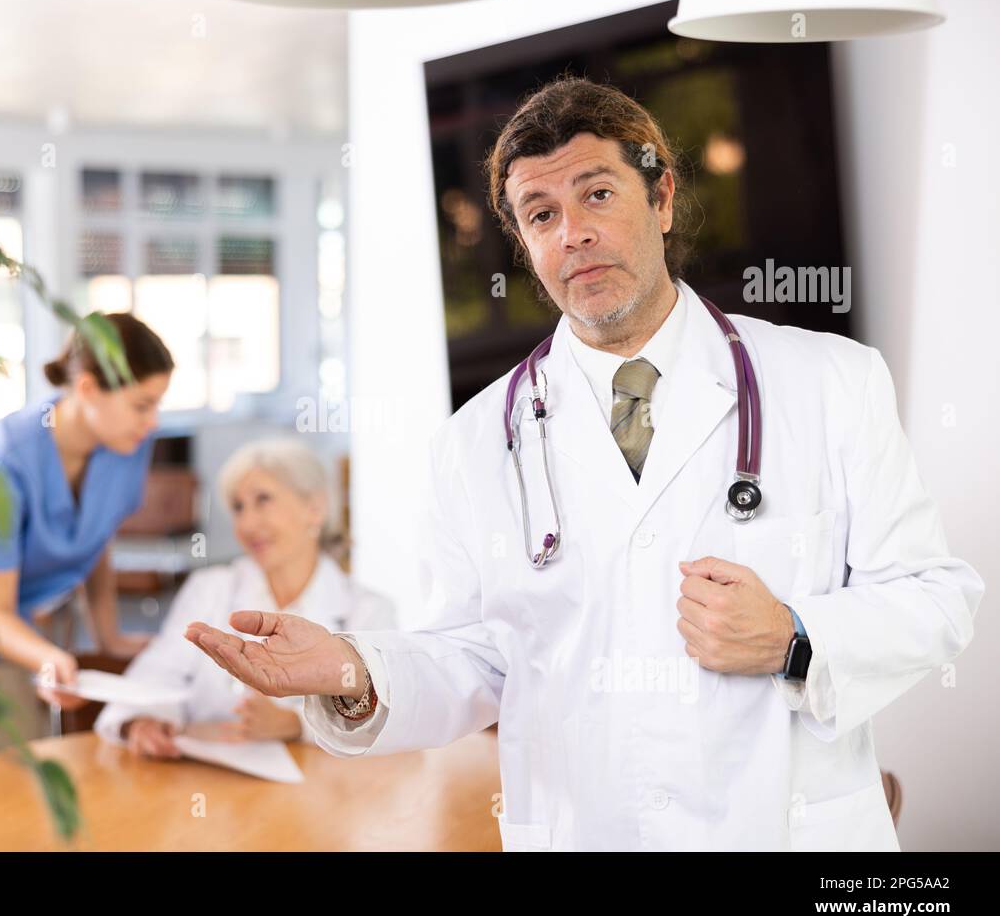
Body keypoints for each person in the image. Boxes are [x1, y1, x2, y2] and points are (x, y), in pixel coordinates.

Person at [183, 75, 984, 851]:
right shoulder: (472, 443)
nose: (574, 233)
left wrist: (795, 638)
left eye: (597, 194)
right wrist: (353, 669)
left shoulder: (831, 381)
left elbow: (938, 600)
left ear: (662, 197)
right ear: (526, 245)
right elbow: (473, 657)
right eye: (541, 213)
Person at [0, 313, 173, 769]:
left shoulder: (128, 444)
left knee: (18, 770)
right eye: (142, 404)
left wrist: (109, 633)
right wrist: (48, 656)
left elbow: (95, 533)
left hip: (4, 624)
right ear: (87, 389)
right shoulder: (2, 461)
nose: (153, 421)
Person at [94, 438, 395, 756]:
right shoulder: (210, 588)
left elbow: (388, 717)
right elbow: (157, 673)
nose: (248, 524)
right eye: (238, 507)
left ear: (314, 509)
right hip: (211, 785)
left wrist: (295, 724)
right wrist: (146, 720)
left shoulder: (367, 611)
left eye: (263, 500)